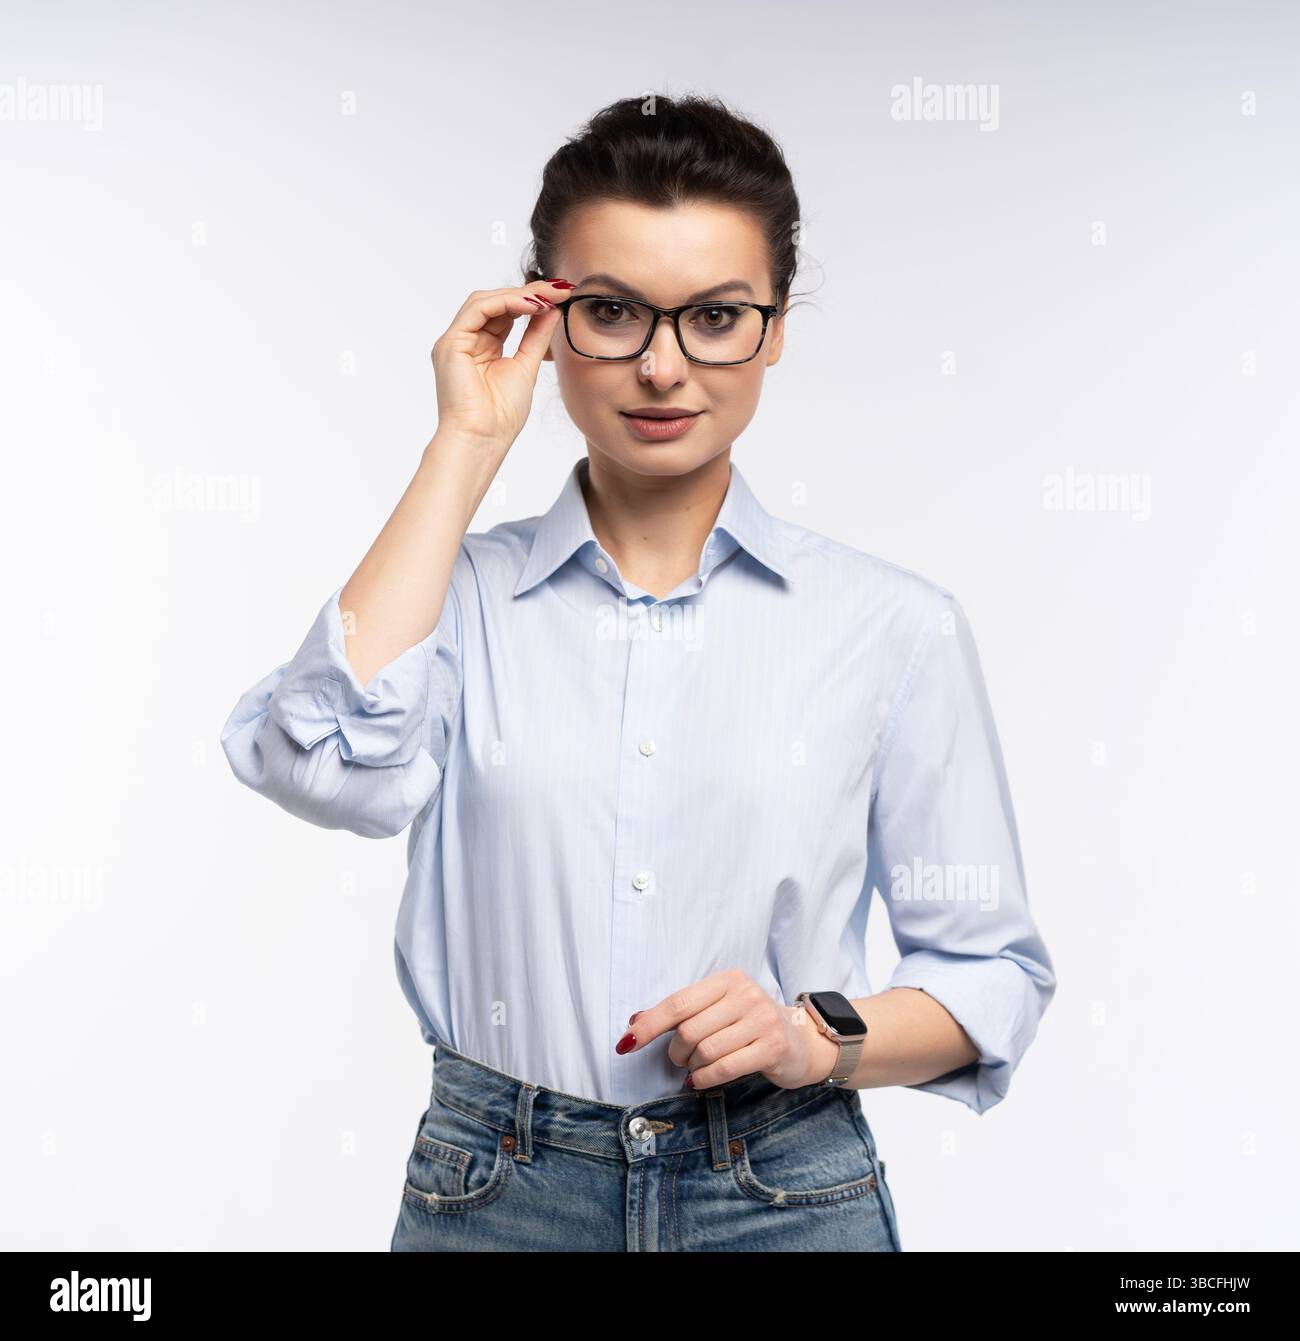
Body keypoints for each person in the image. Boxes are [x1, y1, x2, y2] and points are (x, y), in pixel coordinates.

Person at [220, 92, 1056, 1252]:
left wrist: (814, 1037)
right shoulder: (451, 598)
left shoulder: (894, 627)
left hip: (780, 1191)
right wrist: (464, 444)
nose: (663, 367)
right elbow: (317, 766)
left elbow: (992, 973)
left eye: (716, 317)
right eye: (611, 312)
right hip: (496, 1192)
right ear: (545, 319)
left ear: (771, 332)